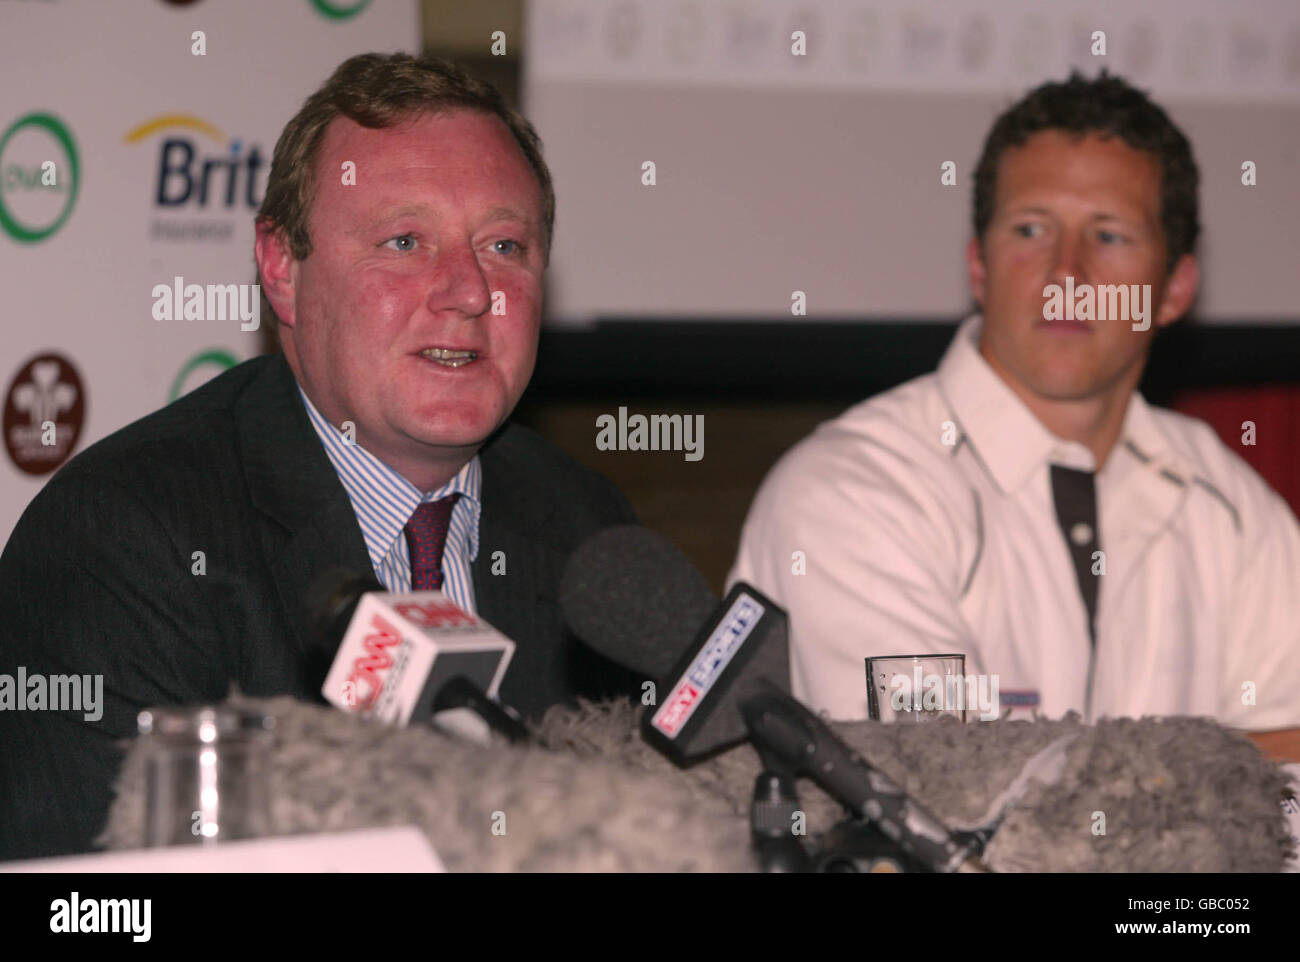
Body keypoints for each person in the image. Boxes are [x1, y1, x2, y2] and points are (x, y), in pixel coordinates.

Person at [0, 53, 638, 860]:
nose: (470, 291)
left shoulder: (589, 529)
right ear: (282, 269)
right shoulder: (123, 541)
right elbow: (87, 904)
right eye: (405, 241)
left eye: (505, 245)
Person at [730, 72, 1300, 761]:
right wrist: (1220, 768)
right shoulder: (857, 487)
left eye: (1110, 236)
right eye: (1031, 229)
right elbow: (940, 800)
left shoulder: (1227, 498)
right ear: (979, 266)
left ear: (1174, 289)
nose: (1066, 274)